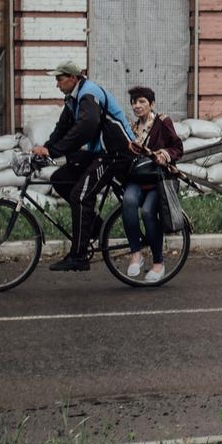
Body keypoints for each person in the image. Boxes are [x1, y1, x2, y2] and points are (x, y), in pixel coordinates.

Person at [31, 60, 136, 271]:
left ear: (73, 78)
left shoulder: (89, 95)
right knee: (60, 179)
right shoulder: (73, 99)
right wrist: (46, 148)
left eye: (59, 79)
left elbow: (84, 129)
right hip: (101, 152)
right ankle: (96, 227)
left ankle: (79, 256)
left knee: (80, 195)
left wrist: (54, 151)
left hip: (116, 153)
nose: (57, 85)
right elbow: (63, 128)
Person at [121, 86, 184, 283]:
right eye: (134, 102)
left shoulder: (162, 122)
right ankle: (136, 254)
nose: (137, 106)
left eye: (141, 102)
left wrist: (164, 155)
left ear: (152, 104)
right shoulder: (132, 128)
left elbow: (177, 148)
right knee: (128, 202)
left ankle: (158, 262)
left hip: (158, 180)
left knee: (148, 212)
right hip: (138, 179)